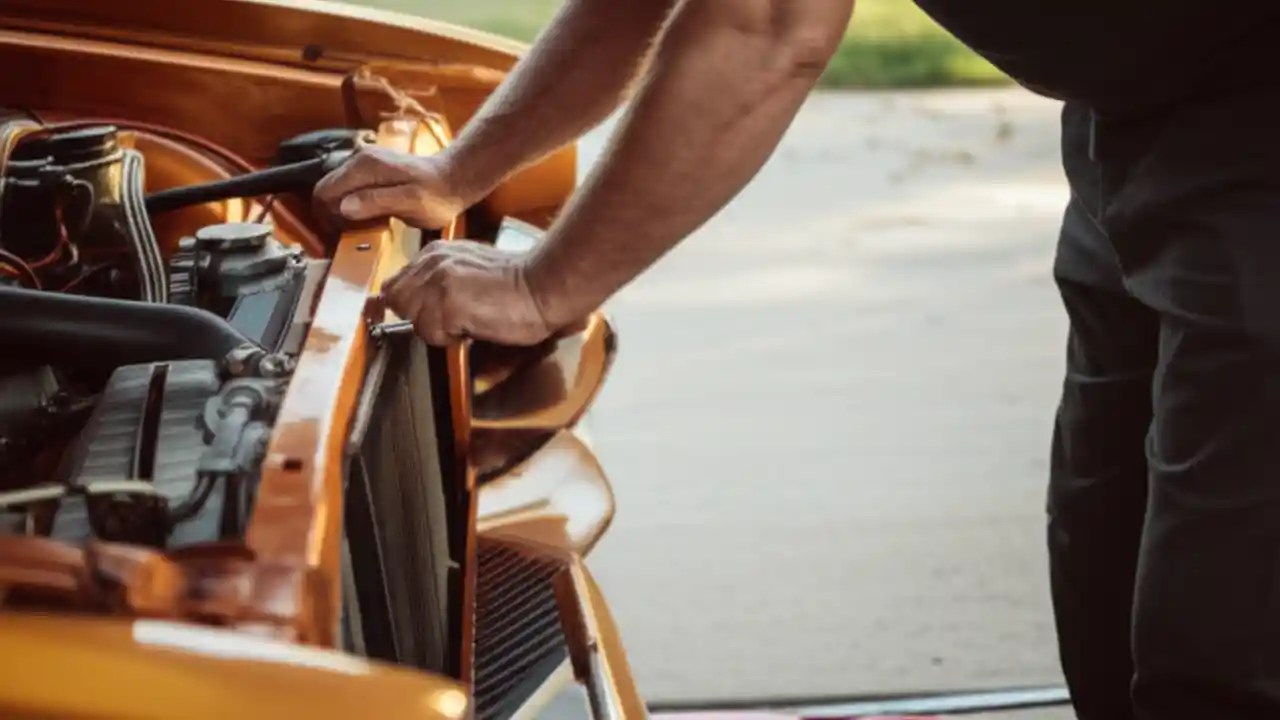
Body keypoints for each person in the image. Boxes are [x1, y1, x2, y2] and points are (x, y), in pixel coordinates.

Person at [315, 2, 1280, 718]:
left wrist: (543, 288)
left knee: (1221, 650)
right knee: (1106, 586)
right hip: (1146, 112)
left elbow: (767, 23)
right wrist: (459, 173)